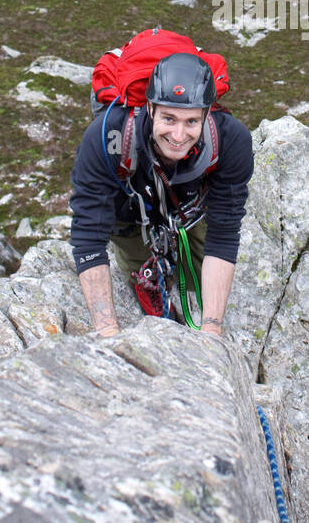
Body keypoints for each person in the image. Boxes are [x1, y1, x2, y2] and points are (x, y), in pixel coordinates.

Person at [69, 51, 254, 339]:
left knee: (200, 272)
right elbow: (88, 235)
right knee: (138, 268)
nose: (179, 135)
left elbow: (224, 232)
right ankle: (149, 280)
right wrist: (108, 334)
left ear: (207, 113)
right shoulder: (108, 137)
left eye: (191, 121)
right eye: (169, 118)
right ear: (150, 108)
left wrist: (212, 331)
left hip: (188, 206)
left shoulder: (231, 140)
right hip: (129, 210)